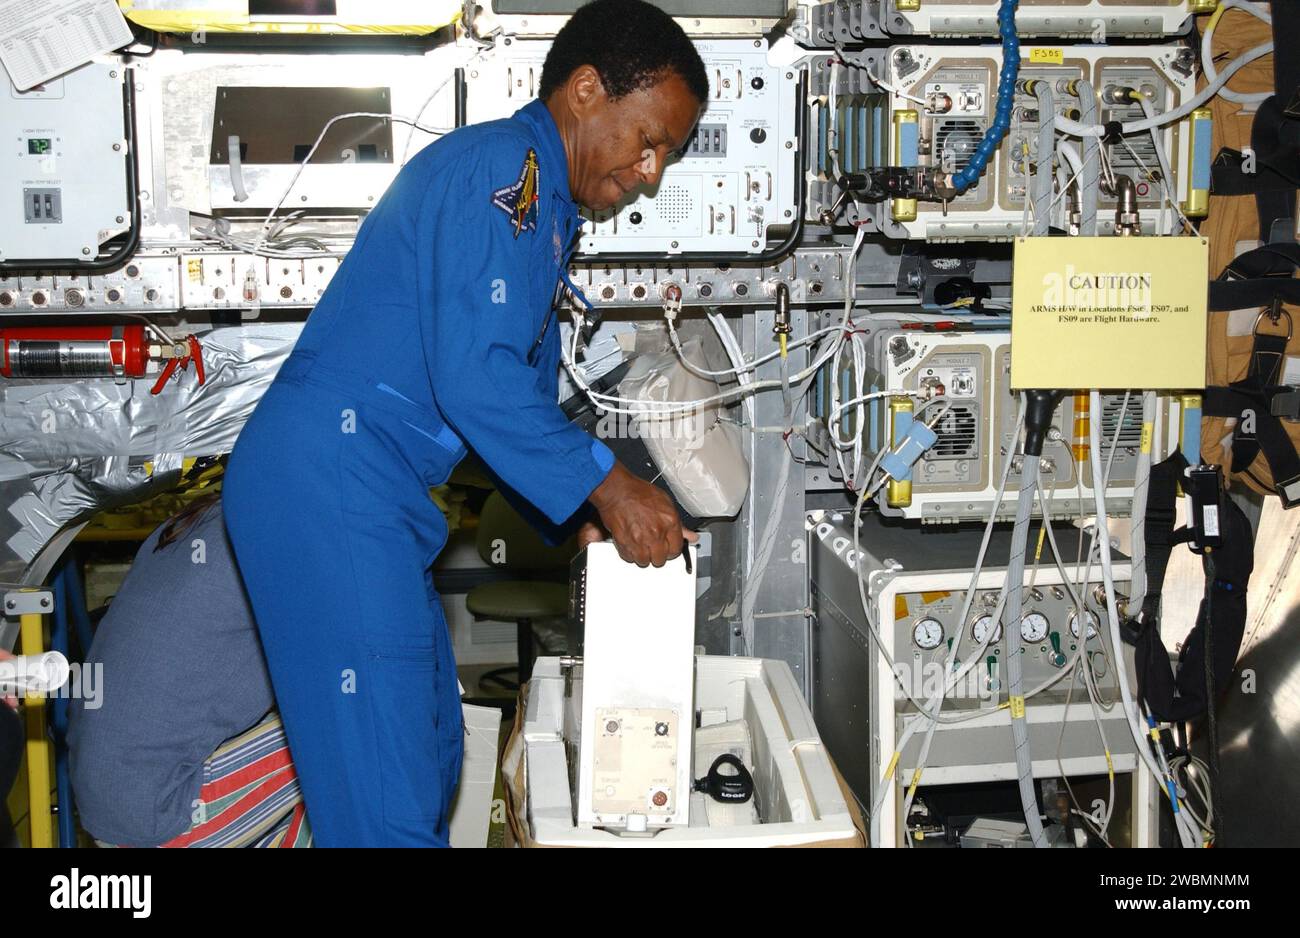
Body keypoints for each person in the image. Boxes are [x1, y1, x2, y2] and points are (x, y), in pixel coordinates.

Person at [221, 0, 707, 846]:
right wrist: (612, 485)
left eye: (665, 153)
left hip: (365, 492)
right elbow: (477, 380)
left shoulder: (543, 208)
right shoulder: (506, 173)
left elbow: (489, 406)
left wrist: (586, 516)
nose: (652, 172)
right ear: (587, 90)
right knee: (389, 800)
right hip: (332, 485)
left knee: (432, 750)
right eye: (649, 139)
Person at [67, 496, 312, 847]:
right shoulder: (283, 538)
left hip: (105, 810)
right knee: (350, 724)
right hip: (165, 815)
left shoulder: (194, 521)